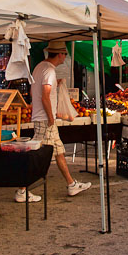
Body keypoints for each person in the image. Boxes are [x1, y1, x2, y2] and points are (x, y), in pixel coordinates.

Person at [31, 41, 92, 199]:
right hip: (45, 119)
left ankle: (71, 184)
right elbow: (45, 96)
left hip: (43, 118)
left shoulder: (40, 67)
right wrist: (51, 117)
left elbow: (38, 90)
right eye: (65, 54)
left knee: (59, 151)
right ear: (60, 54)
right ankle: (22, 189)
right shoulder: (49, 70)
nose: (65, 56)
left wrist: (56, 83)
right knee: (38, 157)